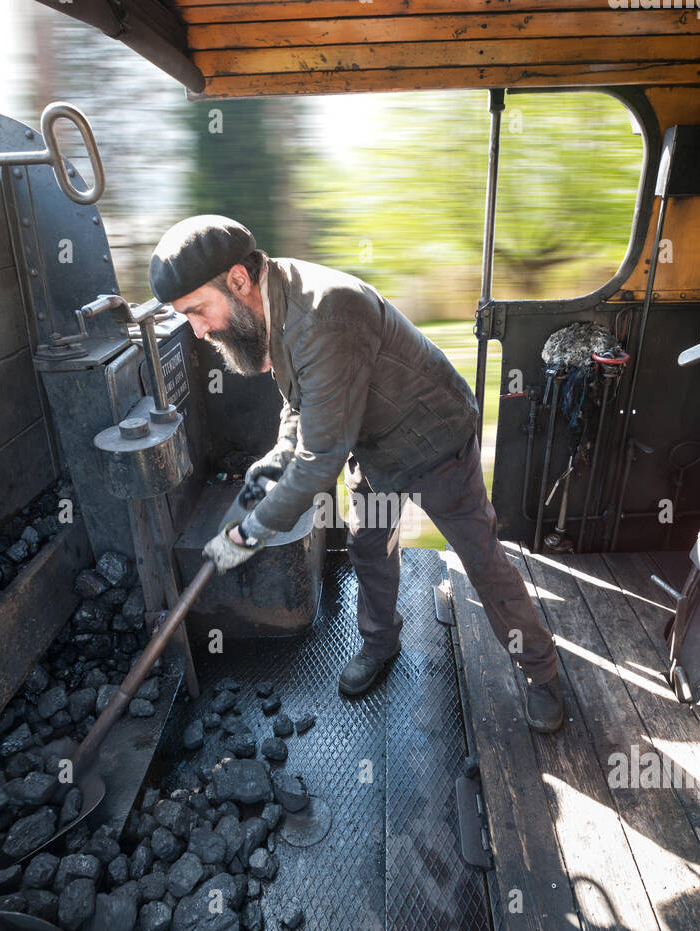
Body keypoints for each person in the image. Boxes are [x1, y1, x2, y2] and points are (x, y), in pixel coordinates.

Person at [149, 215, 564, 733]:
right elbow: (301, 406)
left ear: (237, 280)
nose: (198, 329)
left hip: (435, 442)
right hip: (372, 447)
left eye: (196, 311)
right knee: (370, 546)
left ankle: (543, 672)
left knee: (481, 559)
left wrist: (248, 533)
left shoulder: (325, 312)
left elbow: (320, 458)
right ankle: (380, 643)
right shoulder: (273, 304)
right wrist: (272, 461)